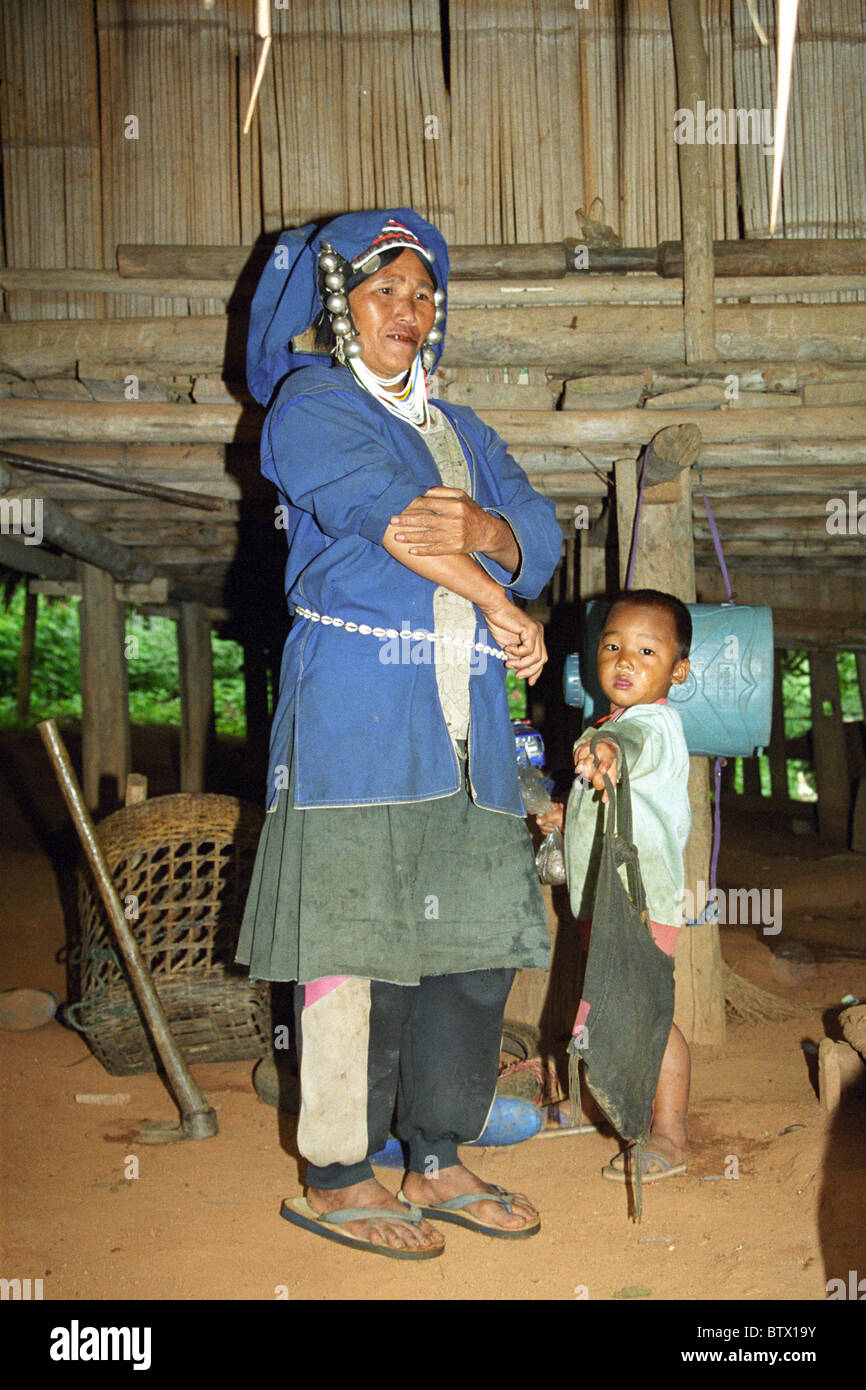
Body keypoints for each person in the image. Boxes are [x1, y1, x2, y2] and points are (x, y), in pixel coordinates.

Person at [236, 208, 563, 1259]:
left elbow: (538, 532)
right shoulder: (312, 402)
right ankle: (337, 1169)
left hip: (466, 722)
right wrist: (500, 597)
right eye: (384, 291)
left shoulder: (462, 429)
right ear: (339, 306)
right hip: (357, 712)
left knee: (468, 948)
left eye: (422, 294)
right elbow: (392, 517)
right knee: (352, 941)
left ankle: (435, 1150)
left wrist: (490, 531)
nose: (407, 313)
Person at [536, 589, 692, 1183]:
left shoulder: (650, 726)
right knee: (600, 1005)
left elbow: (633, 750)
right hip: (606, 900)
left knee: (644, 1013)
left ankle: (671, 1134)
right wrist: (563, 813)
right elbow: (605, 799)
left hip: (641, 899)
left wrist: (604, 747)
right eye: (613, 646)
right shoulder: (610, 724)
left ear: (677, 670)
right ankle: (589, 1105)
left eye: (647, 651)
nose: (626, 661)